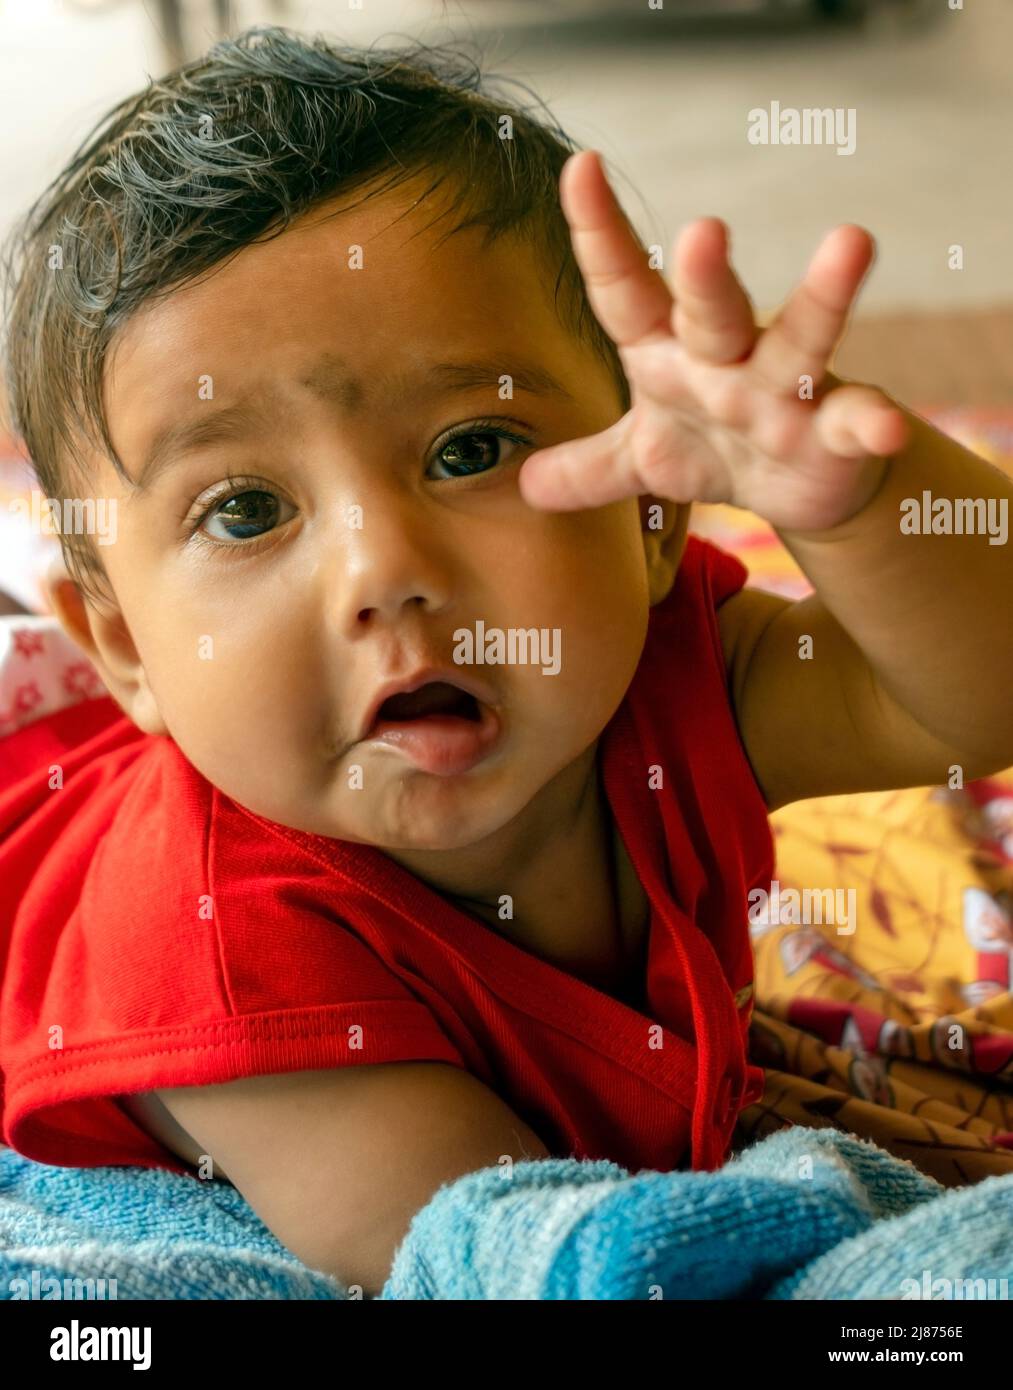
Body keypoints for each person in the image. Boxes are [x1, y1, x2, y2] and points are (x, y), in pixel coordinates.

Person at [1, 27, 1010, 1298]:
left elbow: (974, 694)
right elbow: (509, 1251)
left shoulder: (653, 671)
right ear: (131, 650)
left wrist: (859, 502)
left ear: (651, 517)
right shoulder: (214, 958)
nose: (383, 571)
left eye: (470, 448)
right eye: (246, 510)